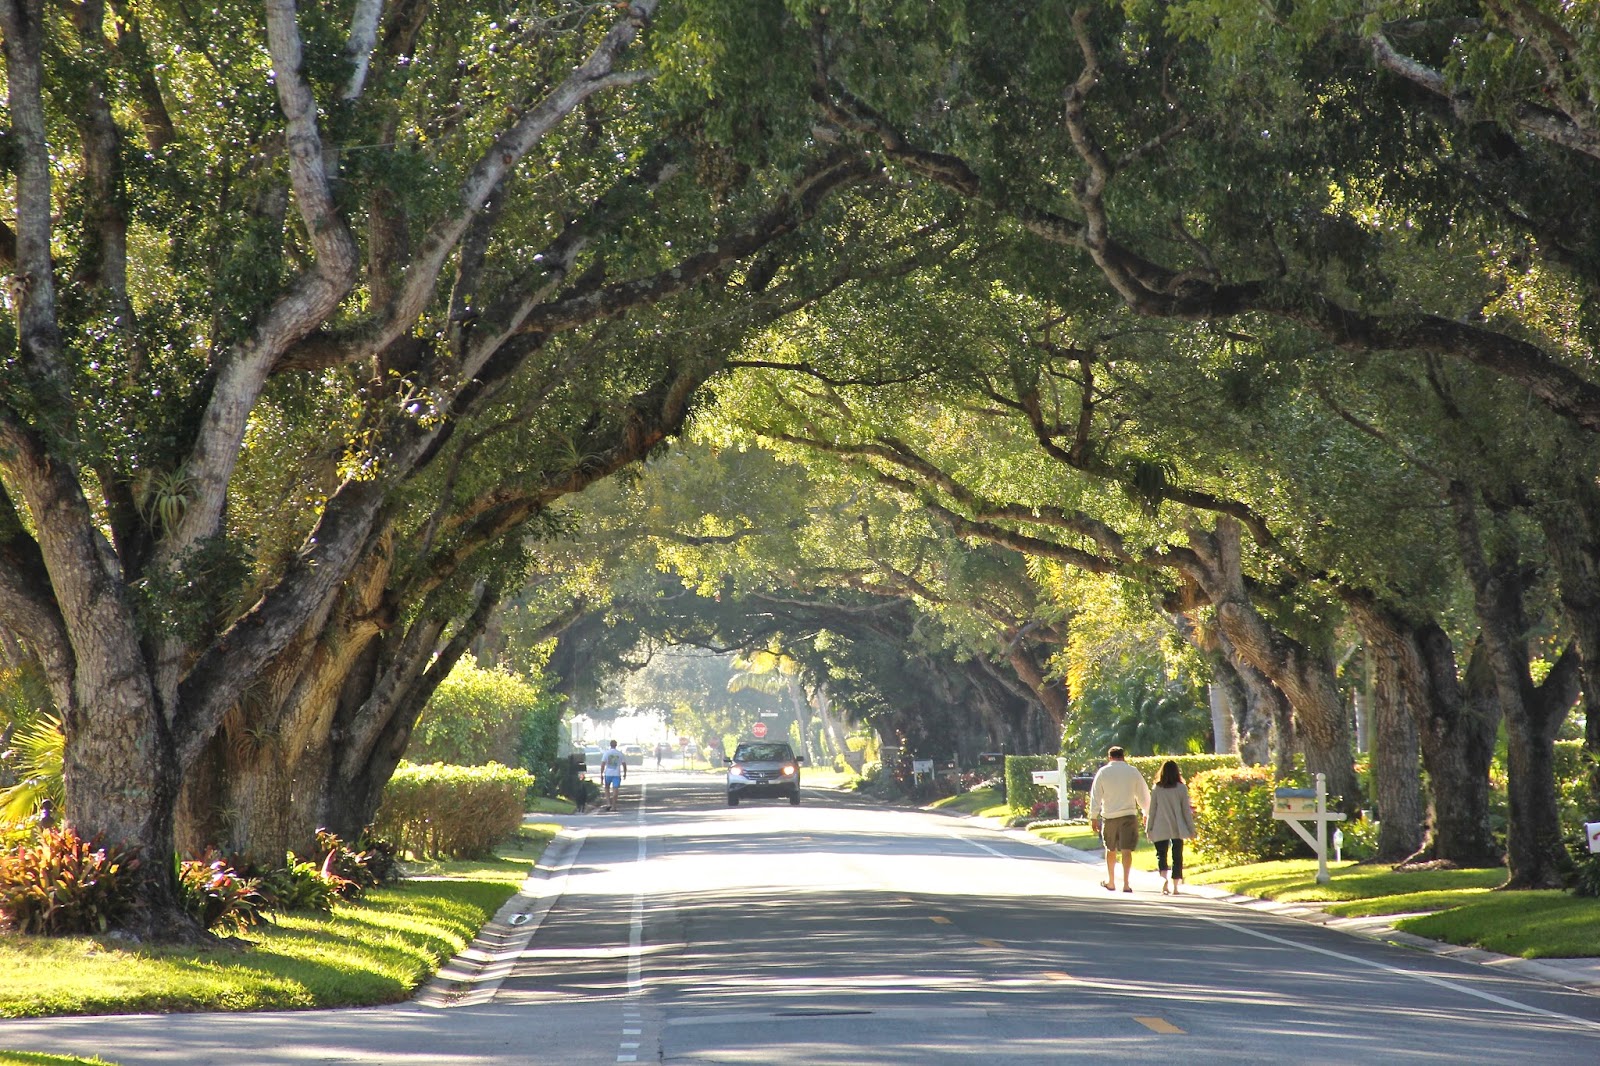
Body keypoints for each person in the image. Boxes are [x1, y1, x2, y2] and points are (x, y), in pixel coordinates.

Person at [1088, 745, 1150, 893]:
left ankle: (1111, 881)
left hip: (1110, 816)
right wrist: (1146, 812)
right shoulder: (1132, 772)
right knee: (1126, 850)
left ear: (1109, 757)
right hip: (1128, 815)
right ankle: (1126, 884)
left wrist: (1093, 816)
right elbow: (1143, 794)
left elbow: (1095, 796)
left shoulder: (1103, 773)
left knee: (1111, 849)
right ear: (1123, 756)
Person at [1146, 759, 1196, 895]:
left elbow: (1152, 810)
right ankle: (1175, 886)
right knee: (1177, 856)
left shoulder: (1157, 788)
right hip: (1177, 827)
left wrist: (1148, 829)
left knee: (1161, 855)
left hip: (1159, 826)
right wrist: (1191, 829)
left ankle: (1163, 880)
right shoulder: (1181, 788)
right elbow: (1186, 810)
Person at [599, 740, 627, 811]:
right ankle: (614, 806)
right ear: (616, 745)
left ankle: (608, 803)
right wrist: (624, 773)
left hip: (608, 774)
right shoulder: (620, 754)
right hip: (616, 774)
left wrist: (601, 774)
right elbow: (624, 764)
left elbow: (603, 764)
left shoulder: (606, 753)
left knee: (607, 788)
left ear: (610, 745)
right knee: (615, 789)